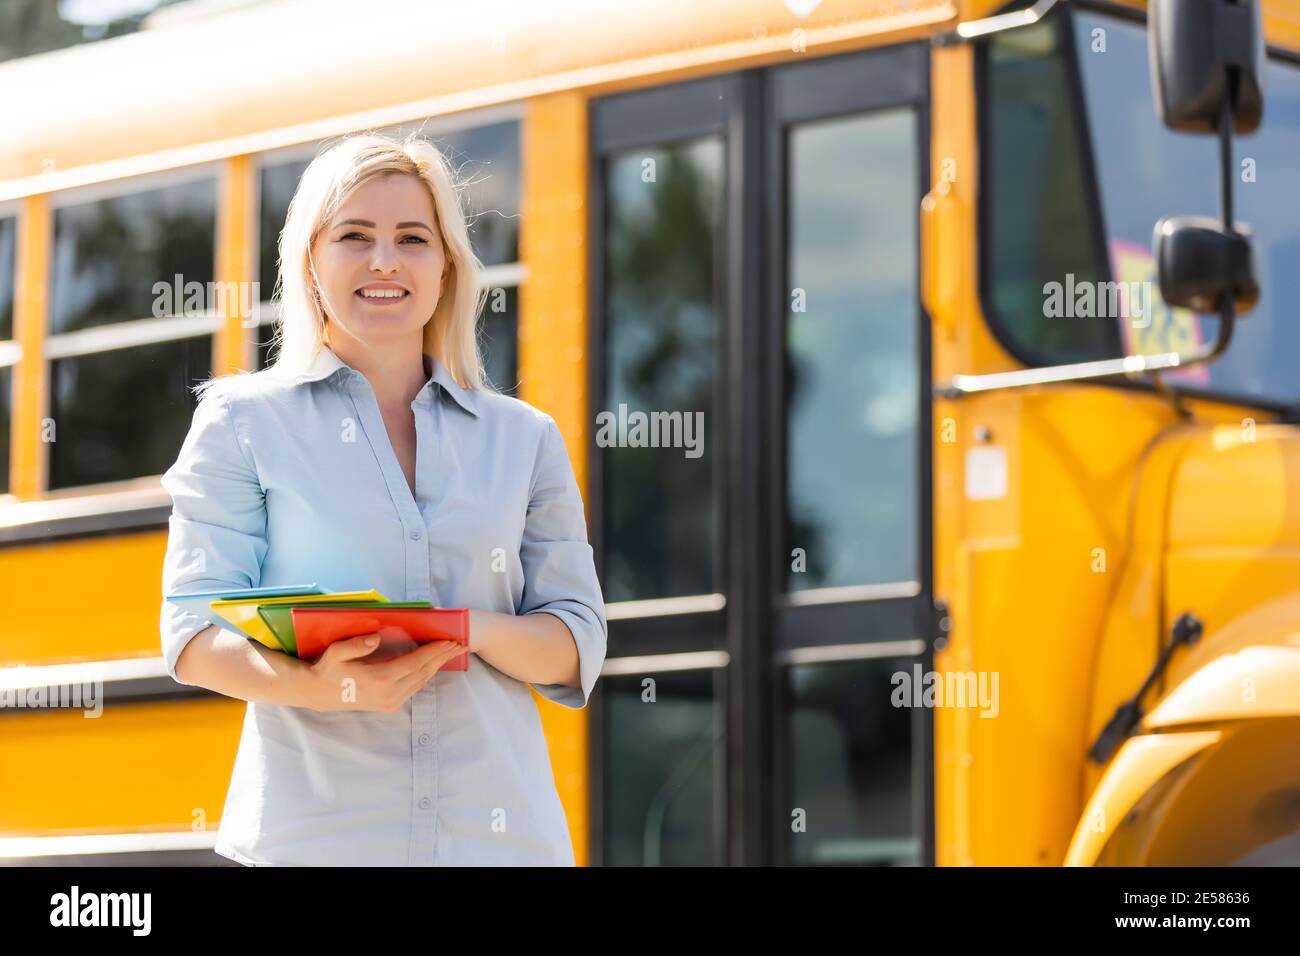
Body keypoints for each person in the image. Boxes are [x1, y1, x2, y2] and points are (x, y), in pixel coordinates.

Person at [159, 132, 607, 866]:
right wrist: (319, 686)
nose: (385, 261)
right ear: (310, 262)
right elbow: (191, 634)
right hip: (315, 841)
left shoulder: (523, 438)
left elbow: (574, 643)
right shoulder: (242, 422)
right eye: (355, 236)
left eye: (412, 239)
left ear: (445, 268)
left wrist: (456, 627)